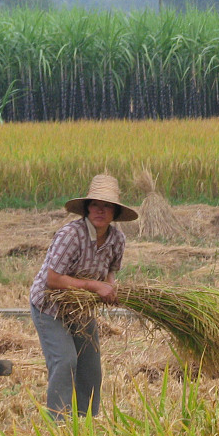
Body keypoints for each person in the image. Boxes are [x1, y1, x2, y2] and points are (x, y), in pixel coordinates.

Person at [29, 173, 139, 419]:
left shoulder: (117, 239)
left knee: (90, 368)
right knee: (66, 361)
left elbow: (110, 270)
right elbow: (54, 279)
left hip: (81, 309)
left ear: (115, 213)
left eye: (107, 206)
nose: (101, 210)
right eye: (95, 205)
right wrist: (95, 287)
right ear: (87, 208)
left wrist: (111, 287)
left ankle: (87, 424)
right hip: (50, 306)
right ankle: (60, 426)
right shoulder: (71, 235)